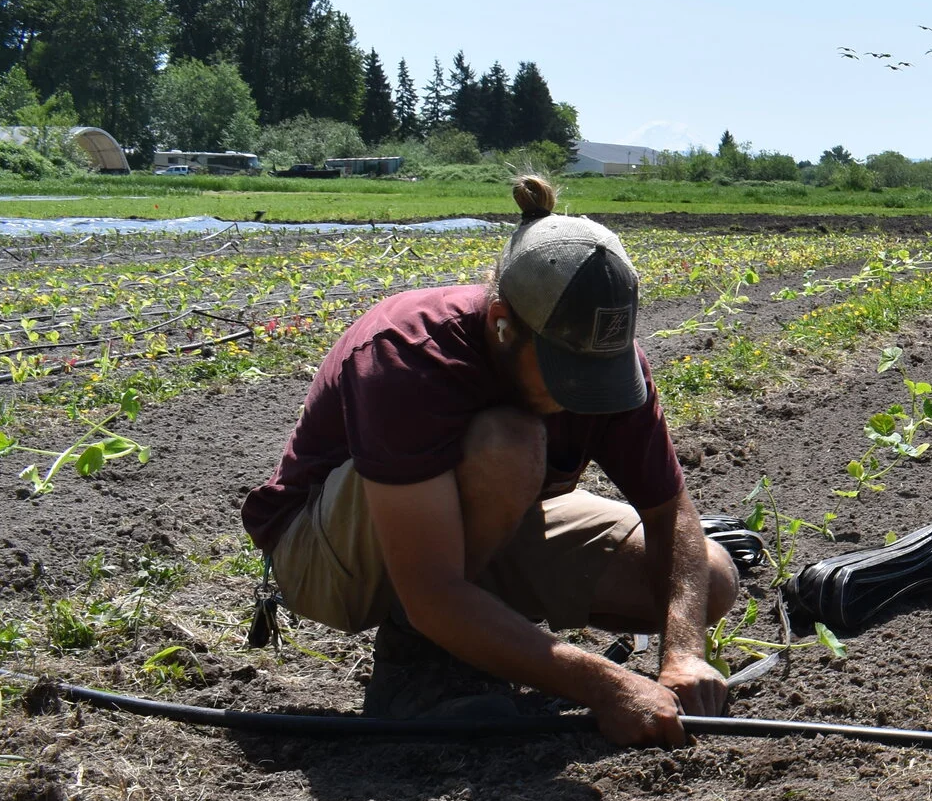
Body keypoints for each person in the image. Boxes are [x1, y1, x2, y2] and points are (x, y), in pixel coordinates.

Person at [240, 176, 736, 744]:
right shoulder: (407, 354)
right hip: (324, 554)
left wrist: (684, 653)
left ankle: (480, 640)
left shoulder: (607, 362)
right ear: (502, 324)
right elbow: (431, 588)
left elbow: (670, 513)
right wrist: (607, 685)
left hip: (466, 533)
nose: (583, 395)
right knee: (512, 443)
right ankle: (417, 666)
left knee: (711, 579)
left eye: (599, 375)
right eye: (565, 375)